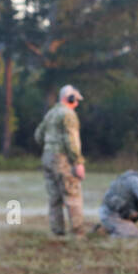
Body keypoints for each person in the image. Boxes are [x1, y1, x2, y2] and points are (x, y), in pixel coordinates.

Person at [34, 85, 86, 237]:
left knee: (54, 197)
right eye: (76, 100)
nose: (76, 104)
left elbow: (38, 135)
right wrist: (78, 162)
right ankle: (78, 232)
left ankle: (57, 231)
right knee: (72, 195)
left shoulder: (51, 113)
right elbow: (72, 140)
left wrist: (50, 146)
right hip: (62, 159)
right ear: (70, 98)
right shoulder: (68, 114)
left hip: (47, 157)